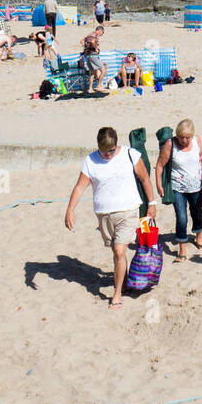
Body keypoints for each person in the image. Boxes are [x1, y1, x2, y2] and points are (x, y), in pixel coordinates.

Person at [64, 127, 158, 309]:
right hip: (104, 216)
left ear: (117, 144)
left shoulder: (130, 155)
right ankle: (123, 282)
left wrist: (152, 204)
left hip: (128, 211)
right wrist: (70, 209)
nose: (107, 154)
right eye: (103, 151)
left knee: (119, 251)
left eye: (111, 150)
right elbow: (79, 187)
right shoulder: (90, 160)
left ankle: (116, 294)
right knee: (116, 253)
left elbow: (145, 179)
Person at [156, 119, 202, 259]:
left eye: (187, 137)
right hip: (177, 188)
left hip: (196, 186)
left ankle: (199, 238)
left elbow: (201, 156)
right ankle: (182, 247)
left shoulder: (196, 140)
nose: (184, 140)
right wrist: (159, 184)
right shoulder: (170, 144)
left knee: (197, 213)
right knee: (181, 217)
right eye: (181, 137)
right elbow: (159, 165)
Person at [82, 26, 108, 93]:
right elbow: (93, 42)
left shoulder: (89, 35)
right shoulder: (95, 35)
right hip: (93, 55)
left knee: (92, 72)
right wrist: (95, 48)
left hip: (87, 56)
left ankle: (90, 88)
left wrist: (86, 48)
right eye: (102, 33)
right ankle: (99, 86)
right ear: (100, 31)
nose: (101, 34)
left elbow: (81, 41)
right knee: (103, 70)